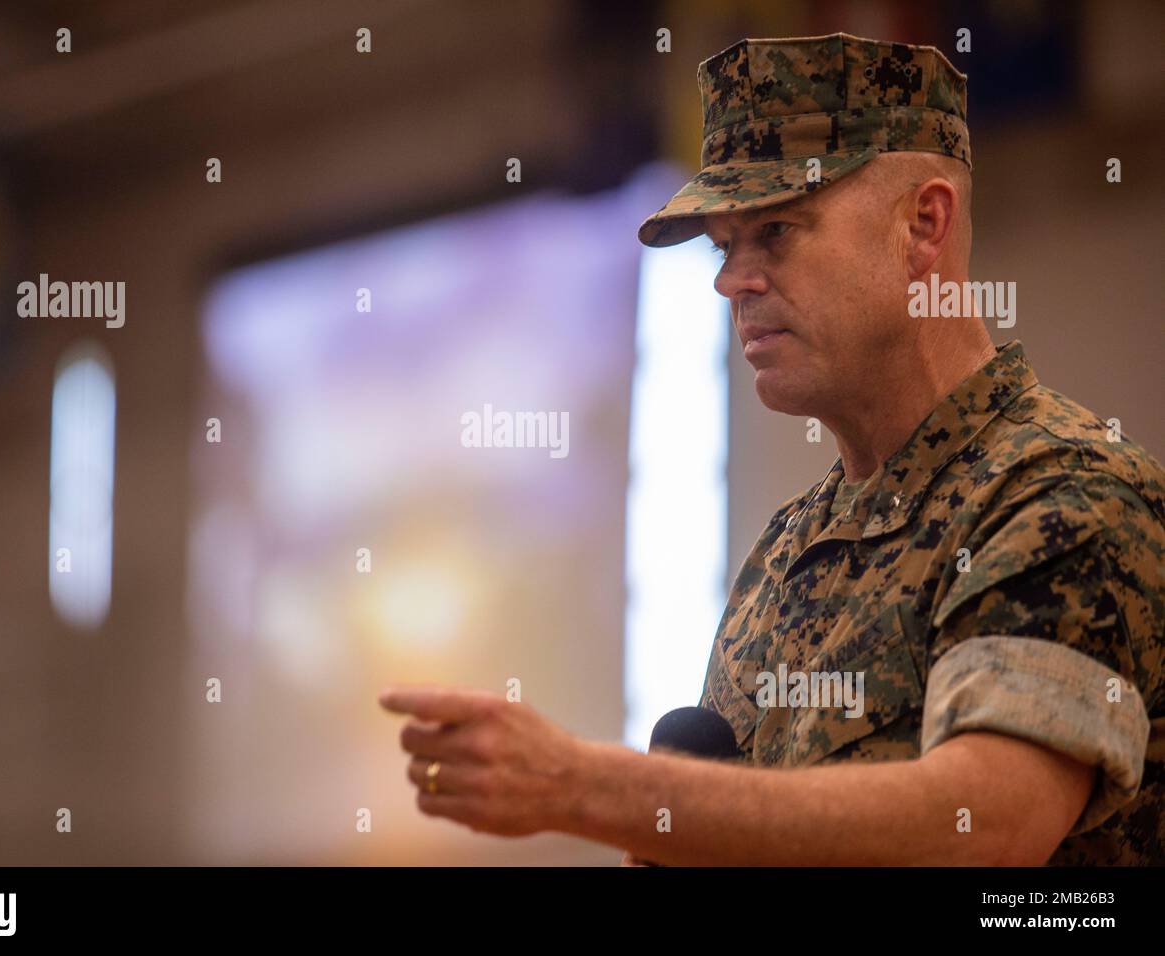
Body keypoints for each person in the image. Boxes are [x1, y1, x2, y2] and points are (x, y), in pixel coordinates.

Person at [379, 33, 1165, 865]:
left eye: (778, 230)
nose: (731, 280)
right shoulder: (784, 557)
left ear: (924, 225)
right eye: (725, 246)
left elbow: (984, 827)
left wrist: (580, 786)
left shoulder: (1066, 495)